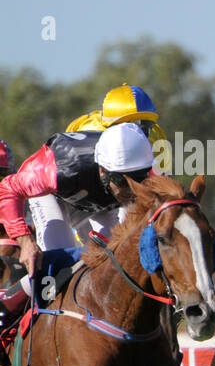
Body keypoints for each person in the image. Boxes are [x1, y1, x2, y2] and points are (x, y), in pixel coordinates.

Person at [0, 123, 153, 325]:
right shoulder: (62, 167)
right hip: (51, 193)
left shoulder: (145, 170)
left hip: (95, 197)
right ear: (103, 170)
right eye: (122, 181)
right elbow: (7, 188)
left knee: (113, 260)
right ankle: (10, 305)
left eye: (138, 179)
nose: (132, 189)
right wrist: (26, 241)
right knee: (60, 259)